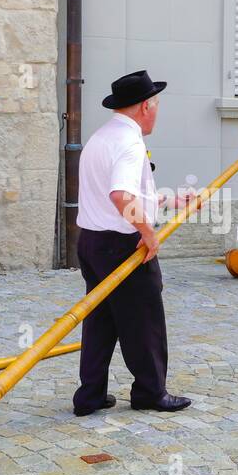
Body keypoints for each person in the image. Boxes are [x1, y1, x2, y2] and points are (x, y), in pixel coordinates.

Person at [72, 70, 191, 417]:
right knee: (145, 318)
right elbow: (120, 195)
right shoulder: (130, 142)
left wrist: (167, 200)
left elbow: (124, 193)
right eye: (155, 105)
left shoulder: (101, 137)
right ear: (144, 107)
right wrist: (149, 232)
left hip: (92, 243)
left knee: (101, 319)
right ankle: (151, 392)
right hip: (121, 245)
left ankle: (90, 395)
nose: (157, 112)